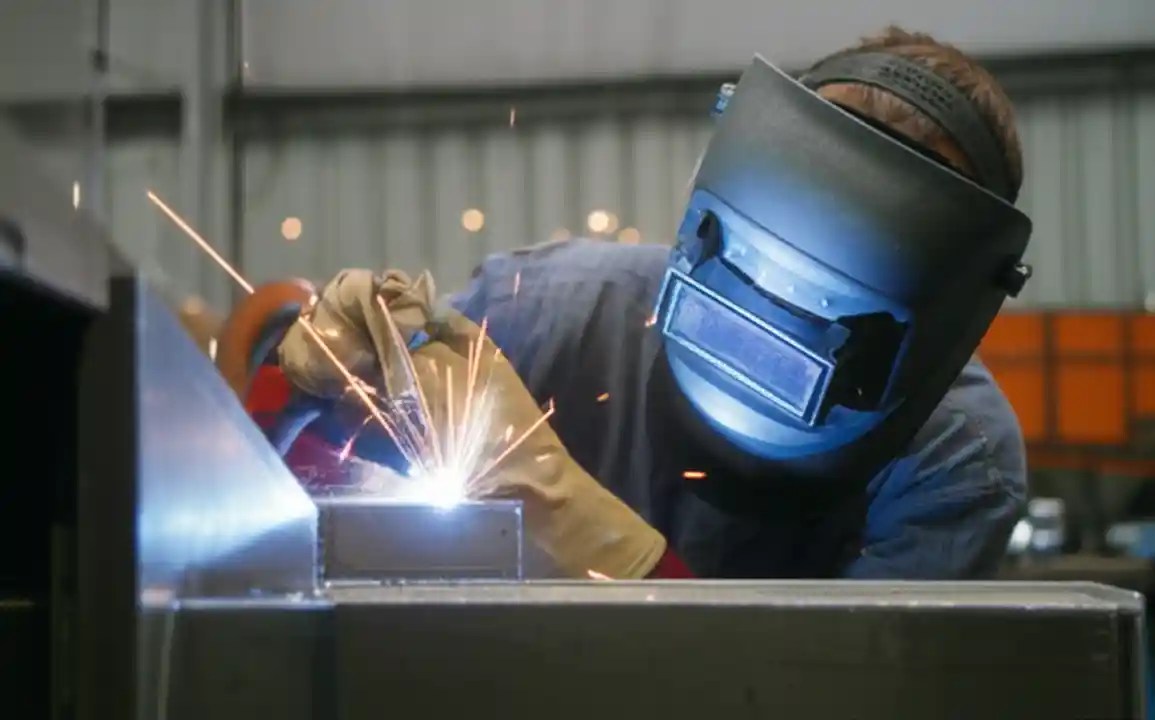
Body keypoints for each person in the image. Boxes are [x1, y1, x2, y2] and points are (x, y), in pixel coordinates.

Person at [248, 27, 1033, 581]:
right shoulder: (554, 311)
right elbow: (287, 454)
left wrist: (595, 541)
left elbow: (818, 692)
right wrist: (318, 370)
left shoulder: (956, 462)